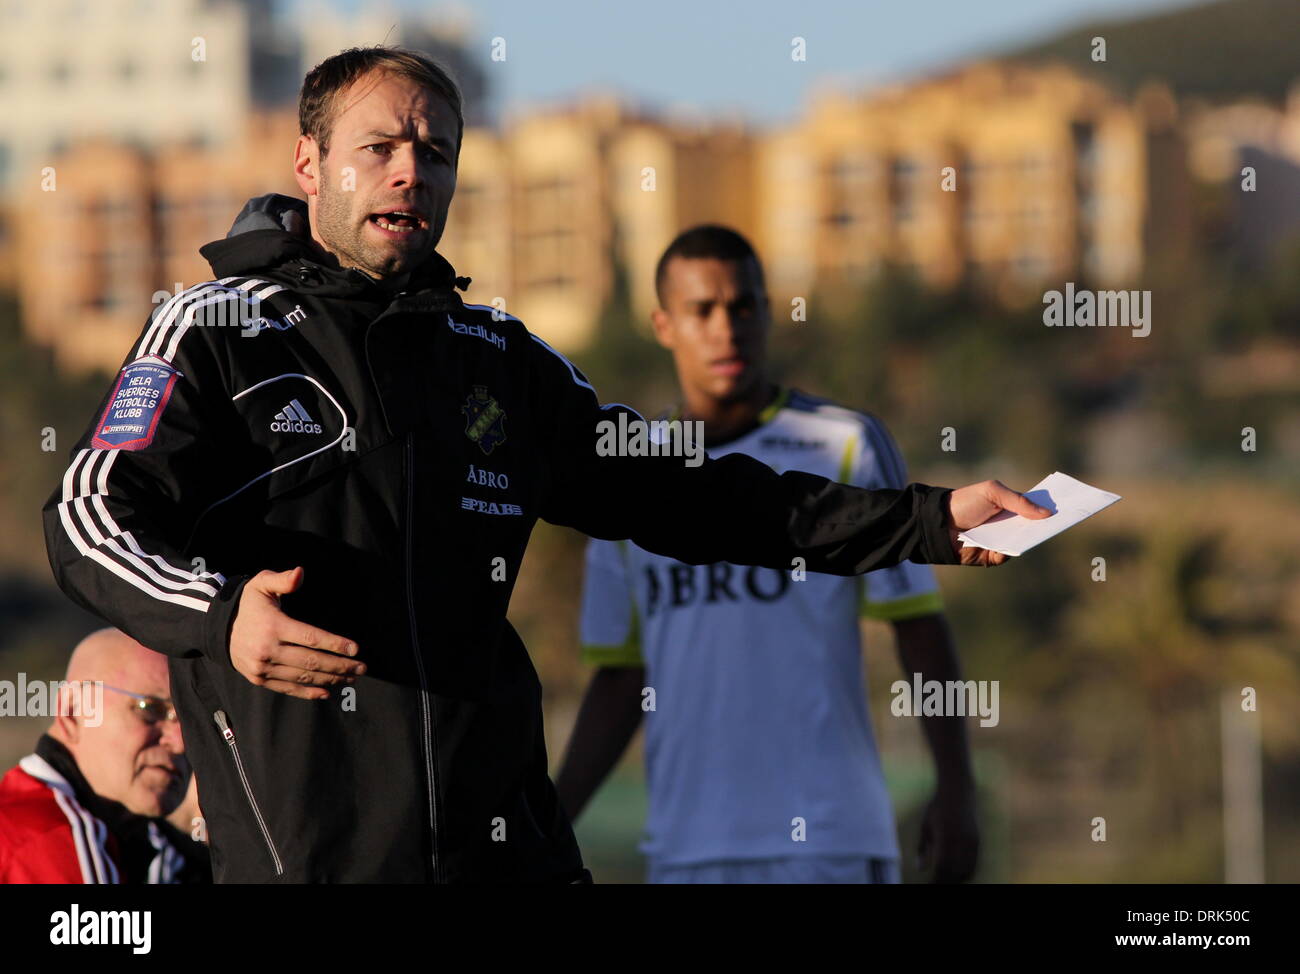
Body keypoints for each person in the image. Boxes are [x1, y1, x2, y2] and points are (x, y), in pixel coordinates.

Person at [42, 46, 1049, 883]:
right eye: (380, 147)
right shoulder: (216, 330)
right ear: (309, 164)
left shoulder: (498, 359)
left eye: (436, 152)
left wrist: (923, 520)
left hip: (506, 850)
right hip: (313, 854)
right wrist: (223, 617)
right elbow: (87, 516)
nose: (410, 171)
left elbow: (684, 489)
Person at [556, 226, 984, 884]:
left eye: (744, 307)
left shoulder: (844, 442)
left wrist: (957, 793)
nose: (727, 329)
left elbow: (919, 628)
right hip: (686, 848)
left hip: (830, 842)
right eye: (703, 310)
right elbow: (620, 678)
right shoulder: (628, 468)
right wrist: (549, 827)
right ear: (663, 324)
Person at [0, 629, 208, 883]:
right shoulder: (52, 839)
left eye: (188, 719)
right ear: (73, 710)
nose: (181, 742)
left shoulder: (147, 840)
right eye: (150, 708)